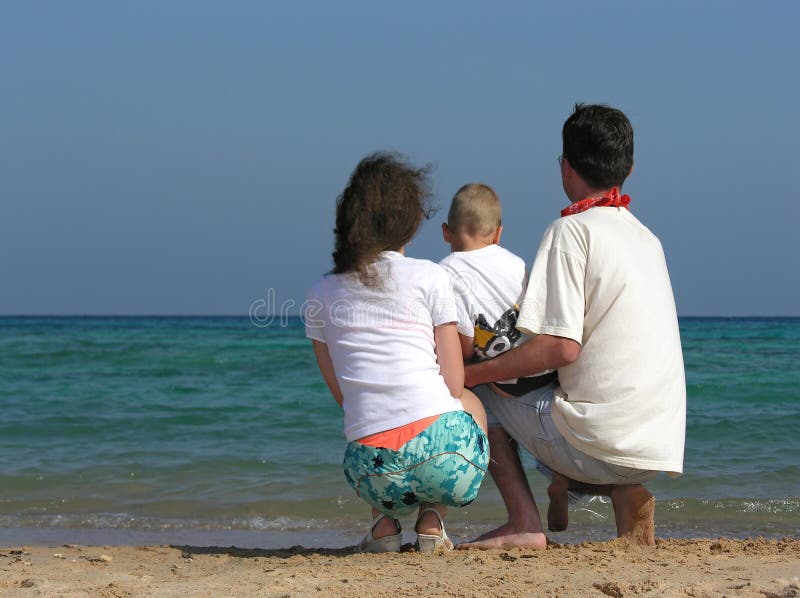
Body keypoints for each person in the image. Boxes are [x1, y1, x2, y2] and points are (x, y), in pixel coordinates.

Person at [458, 104, 686, 549]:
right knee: (553, 393)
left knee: (480, 393)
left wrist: (470, 373)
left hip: (601, 444)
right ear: (630, 168)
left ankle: (523, 522)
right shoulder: (647, 238)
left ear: (565, 168)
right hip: (656, 446)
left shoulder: (571, 231)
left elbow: (559, 349)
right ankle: (621, 494)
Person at [304, 152, 489, 554]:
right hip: (446, 461)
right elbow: (453, 382)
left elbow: (344, 395)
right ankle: (432, 516)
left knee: (369, 415)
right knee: (468, 401)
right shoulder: (430, 277)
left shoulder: (320, 293)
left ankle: (384, 524)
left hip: (369, 473)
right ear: (410, 222)